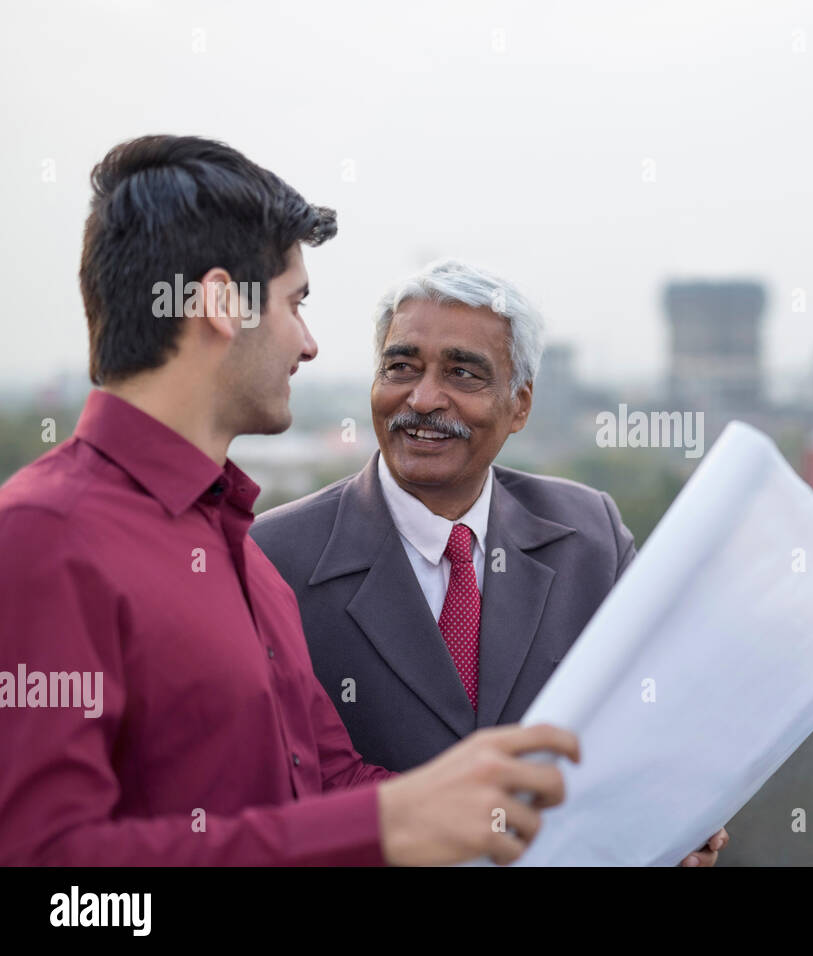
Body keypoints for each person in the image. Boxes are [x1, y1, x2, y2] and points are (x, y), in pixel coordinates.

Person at [0, 135, 577, 867]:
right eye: (293, 303)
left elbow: (326, 786)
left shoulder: (242, 554)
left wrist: (548, 823)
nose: (308, 344)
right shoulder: (45, 538)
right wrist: (385, 827)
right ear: (218, 304)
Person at [251, 260, 729, 866]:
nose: (423, 399)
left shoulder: (589, 537)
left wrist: (675, 818)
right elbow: (271, 792)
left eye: (463, 374)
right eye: (401, 367)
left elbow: (657, 724)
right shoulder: (274, 557)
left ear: (519, 404)